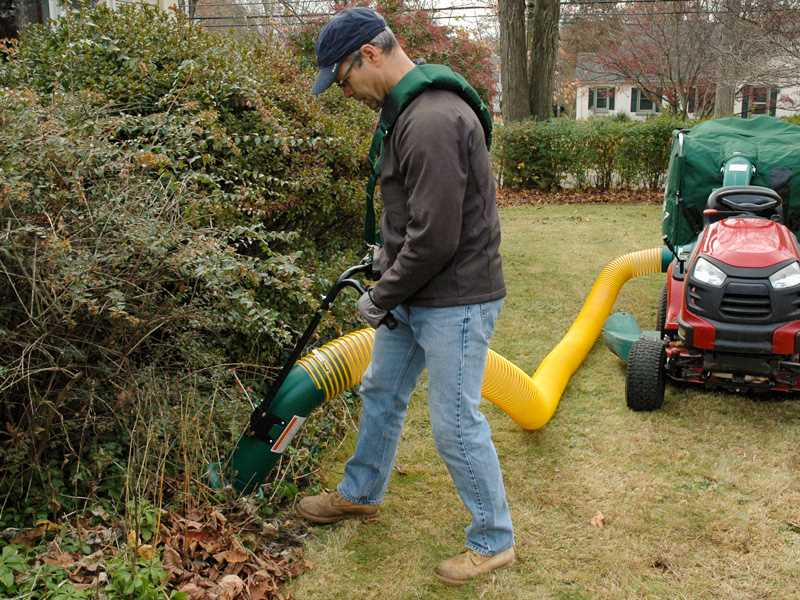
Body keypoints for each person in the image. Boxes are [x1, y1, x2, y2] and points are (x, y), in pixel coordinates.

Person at [296, 7, 514, 585]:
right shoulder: (406, 113)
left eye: (342, 80)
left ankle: (493, 539)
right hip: (418, 292)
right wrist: (382, 264)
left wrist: (380, 295)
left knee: (454, 423)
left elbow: (437, 238)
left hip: (456, 298)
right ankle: (361, 492)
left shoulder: (433, 119)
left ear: (369, 54)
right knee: (382, 391)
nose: (345, 93)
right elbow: (412, 215)